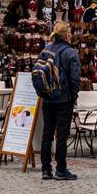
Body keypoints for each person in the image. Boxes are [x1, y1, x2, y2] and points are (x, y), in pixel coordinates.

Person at [39, 21, 81, 181]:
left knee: (47, 134)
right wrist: (73, 96)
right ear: (66, 34)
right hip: (64, 99)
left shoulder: (46, 49)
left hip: (47, 97)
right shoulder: (70, 52)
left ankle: (45, 169)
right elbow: (75, 79)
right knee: (62, 135)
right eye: (69, 32)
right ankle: (61, 169)